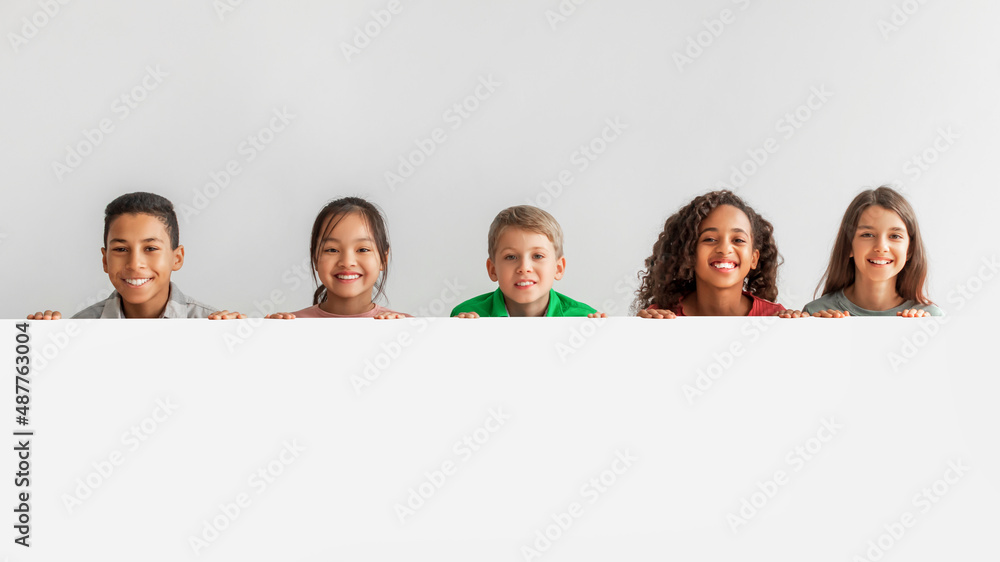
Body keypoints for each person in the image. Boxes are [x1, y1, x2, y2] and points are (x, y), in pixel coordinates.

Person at [27, 192, 243, 319]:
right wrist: (37, 350)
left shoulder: (210, 325)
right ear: (105, 260)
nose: (134, 263)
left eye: (150, 249)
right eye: (121, 249)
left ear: (176, 258)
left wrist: (263, 345)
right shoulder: (78, 329)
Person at [633, 190, 784, 317]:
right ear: (690, 254)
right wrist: (639, 332)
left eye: (738, 240)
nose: (724, 249)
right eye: (710, 239)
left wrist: (802, 327)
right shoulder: (661, 317)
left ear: (753, 258)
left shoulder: (774, 318)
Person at [797, 186, 942, 317]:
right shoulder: (815, 314)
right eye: (867, 235)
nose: (881, 246)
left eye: (895, 236)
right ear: (849, 246)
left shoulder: (929, 318)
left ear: (910, 250)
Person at [266, 197, 410, 319]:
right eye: (332, 250)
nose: (347, 262)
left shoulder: (406, 327)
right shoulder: (289, 325)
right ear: (315, 258)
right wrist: (263, 335)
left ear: (383, 259)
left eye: (363, 249)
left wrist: (406, 335)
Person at [450, 205, 603, 318]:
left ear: (558, 268)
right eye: (511, 257)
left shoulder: (583, 318)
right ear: (493, 269)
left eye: (537, 256)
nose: (524, 268)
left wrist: (602, 342)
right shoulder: (469, 316)